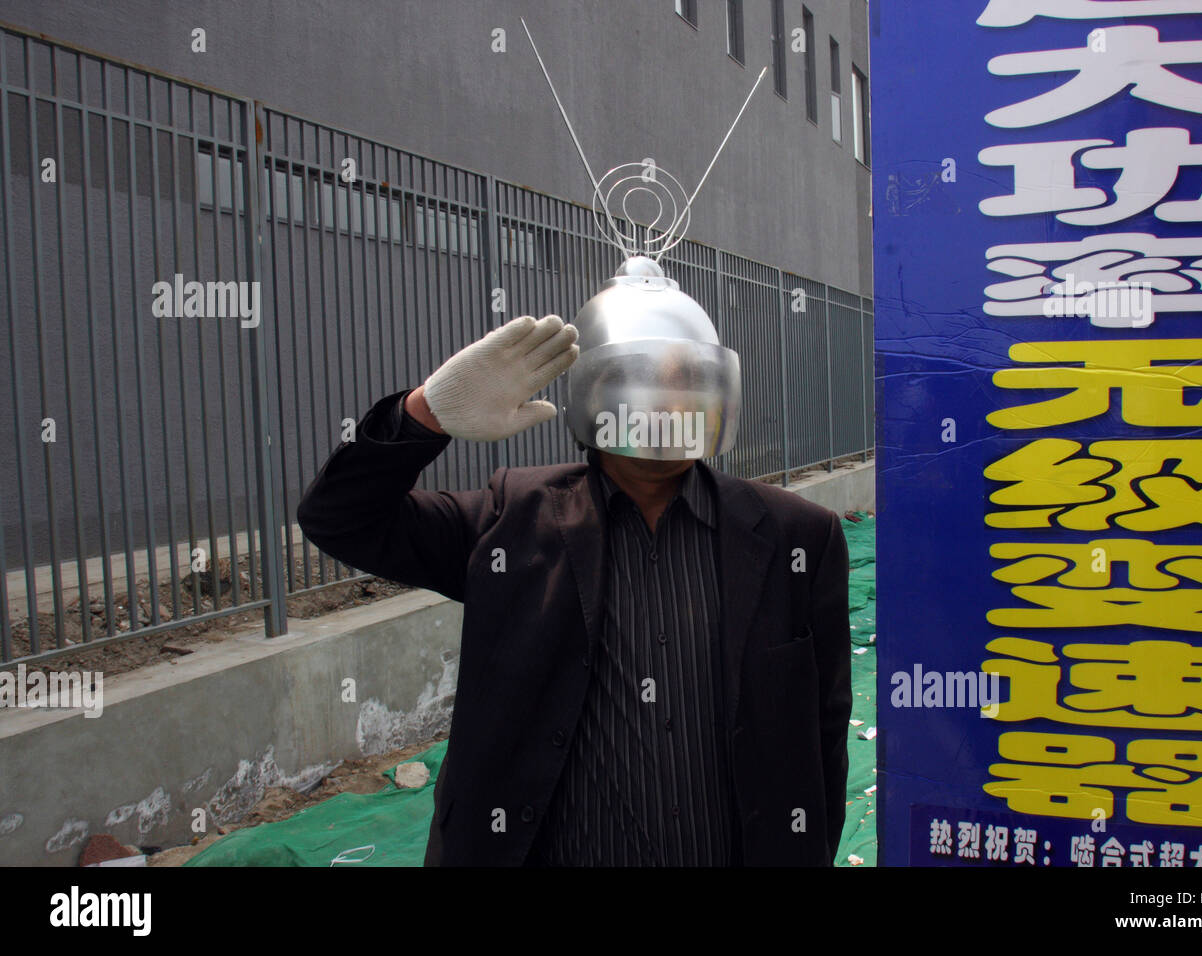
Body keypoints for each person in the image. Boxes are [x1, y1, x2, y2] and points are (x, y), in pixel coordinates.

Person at [297, 294, 851, 867]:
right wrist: (426, 413)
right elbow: (339, 518)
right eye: (639, 380)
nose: (664, 402)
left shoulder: (796, 537)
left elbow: (825, 730)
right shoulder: (510, 521)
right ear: (595, 390)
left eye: (684, 381)